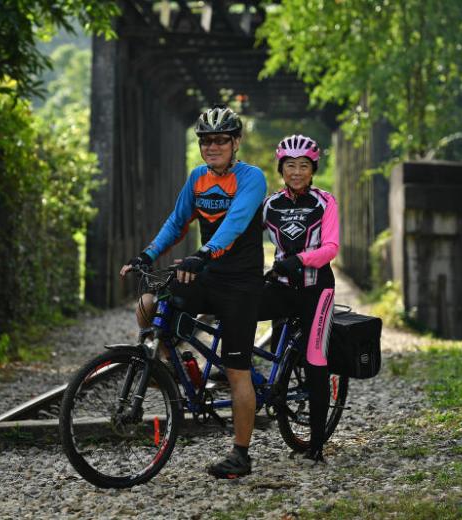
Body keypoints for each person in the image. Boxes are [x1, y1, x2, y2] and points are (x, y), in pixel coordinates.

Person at [119, 105, 266, 479]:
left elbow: (234, 225)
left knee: (237, 372)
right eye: (206, 141)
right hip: (208, 276)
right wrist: (146, 255)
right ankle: (179, 369)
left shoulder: (252, 178)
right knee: (148, 305)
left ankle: (241, 455)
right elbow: (176, 222)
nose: (213, 147)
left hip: (241, 284)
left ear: (235, 143)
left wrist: (200, 256)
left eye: (220, 140)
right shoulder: (198, 178)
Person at [260, 134, 339, 463]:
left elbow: (331, 248)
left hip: (316, 288)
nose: (296, 171)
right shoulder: (270, 205)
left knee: (315, 361)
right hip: (282, 286)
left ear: (312, 169)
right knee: (239, 313)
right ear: (281, 168)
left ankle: (317, 445)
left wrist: (301, 260)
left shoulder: (325, 202)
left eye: (303, 165)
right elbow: (246, 242)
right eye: (290, 165)